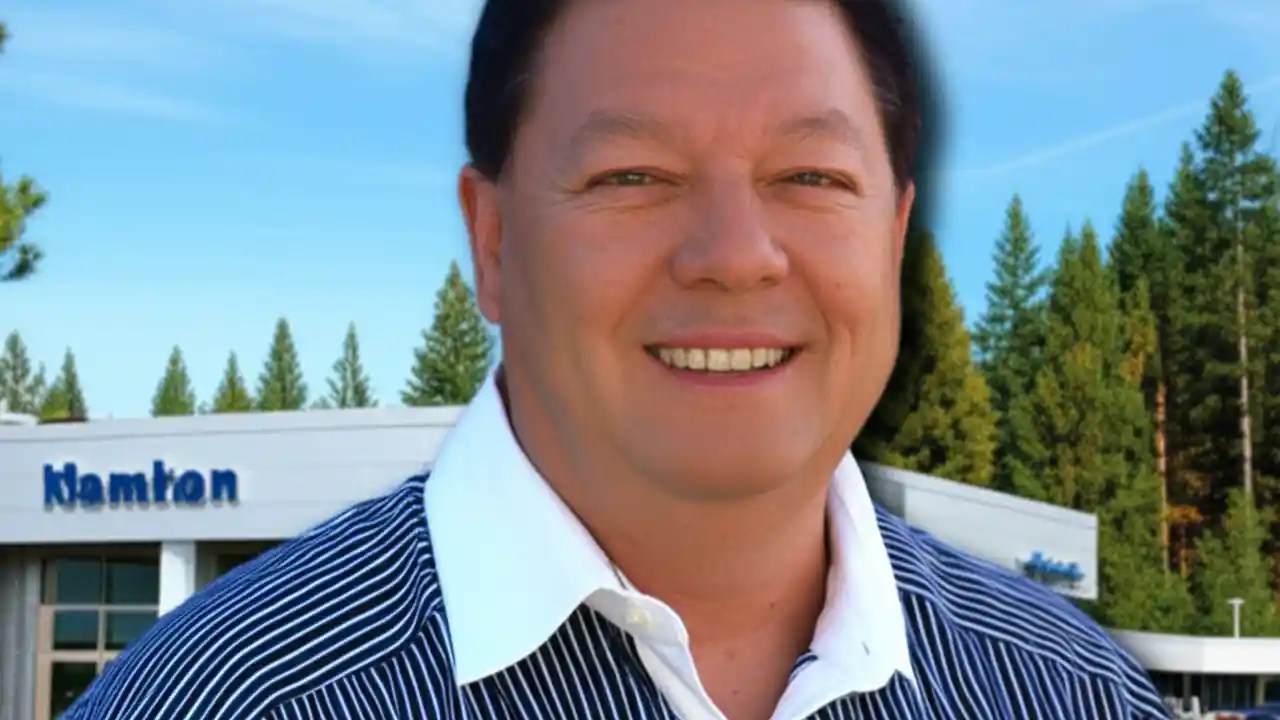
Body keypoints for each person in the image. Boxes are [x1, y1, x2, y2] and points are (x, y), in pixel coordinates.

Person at [66, 0, 1169, 718]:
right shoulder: (221, 700)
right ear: (492, 244)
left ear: (892, 239)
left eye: (812, 178)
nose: (735, 256)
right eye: (632, 176)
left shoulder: (1069, 695)